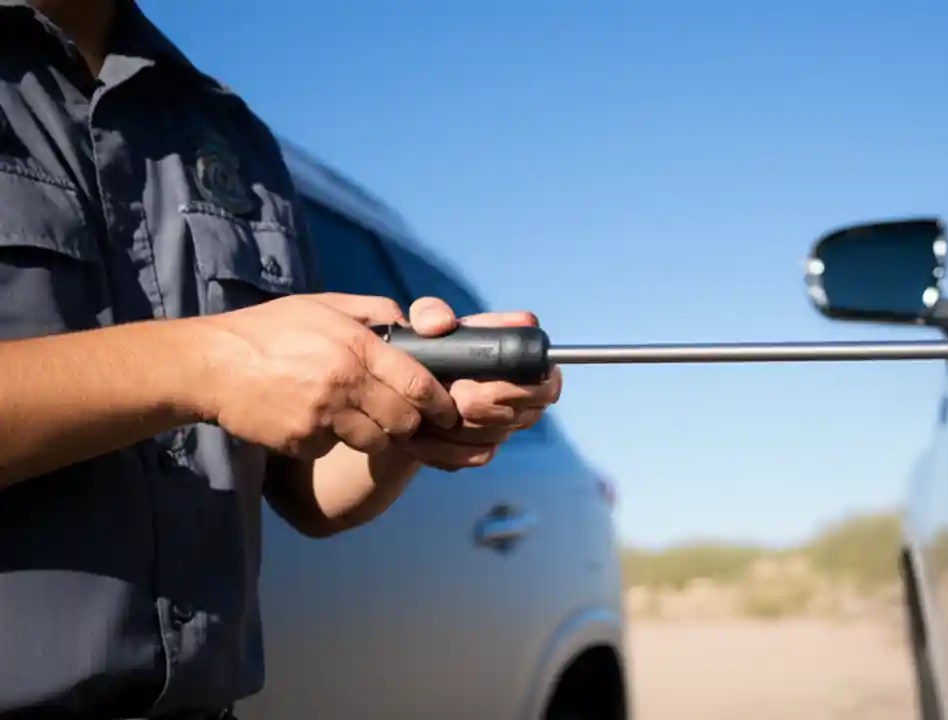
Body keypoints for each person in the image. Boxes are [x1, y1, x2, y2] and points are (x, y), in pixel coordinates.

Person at [0, 1, 564, 717]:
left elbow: (306, 492)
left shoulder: (229, 132)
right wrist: (204, 365)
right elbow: (221, 369)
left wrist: (415, 414)